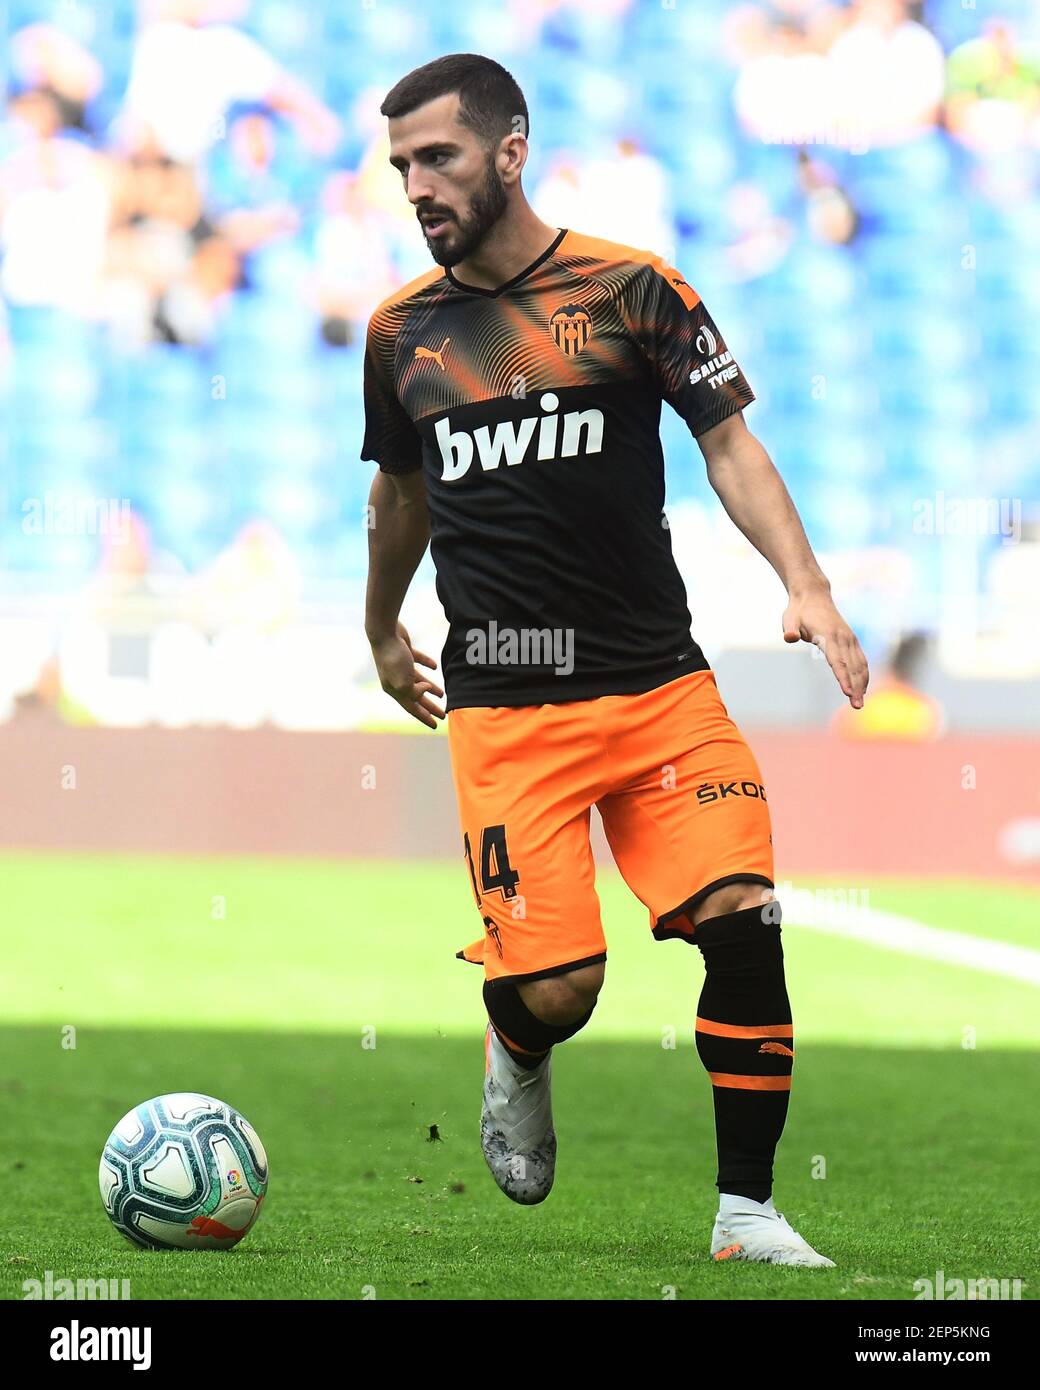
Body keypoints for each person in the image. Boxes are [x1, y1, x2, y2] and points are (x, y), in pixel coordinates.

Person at [361, 53, 869, 1267]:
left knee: (740, 915)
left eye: (437, 157)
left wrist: (804, 585)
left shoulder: (632, 291)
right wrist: (382, 625)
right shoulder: (402, 334)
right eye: (399, 168)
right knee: (561, 990)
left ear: (509, 151)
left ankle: (744, 1213)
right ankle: (516, 1037)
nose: (416, 186)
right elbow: (400, 493)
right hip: (505, 706)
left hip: (658, 687)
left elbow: (729, 445)